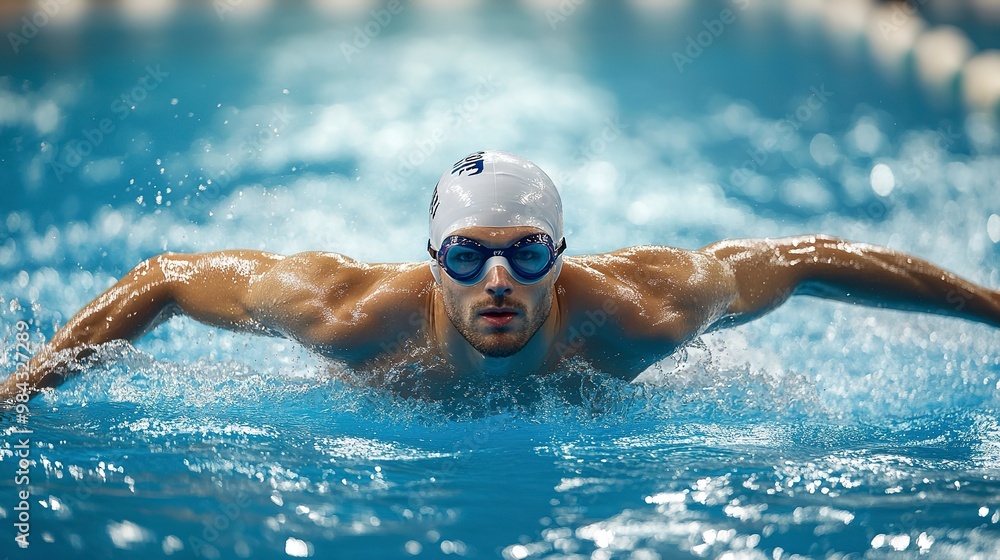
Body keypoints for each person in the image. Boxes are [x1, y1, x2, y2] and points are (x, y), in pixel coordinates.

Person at [3, 150, 999, 402]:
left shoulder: (638, 313)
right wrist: (31, 382)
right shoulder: (352, 317)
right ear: (432, 264)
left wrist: (992, 307)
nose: (497, 279)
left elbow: (807, 259)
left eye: (526, 253)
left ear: (557, 260)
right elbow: (169, 274)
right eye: (469, 255)